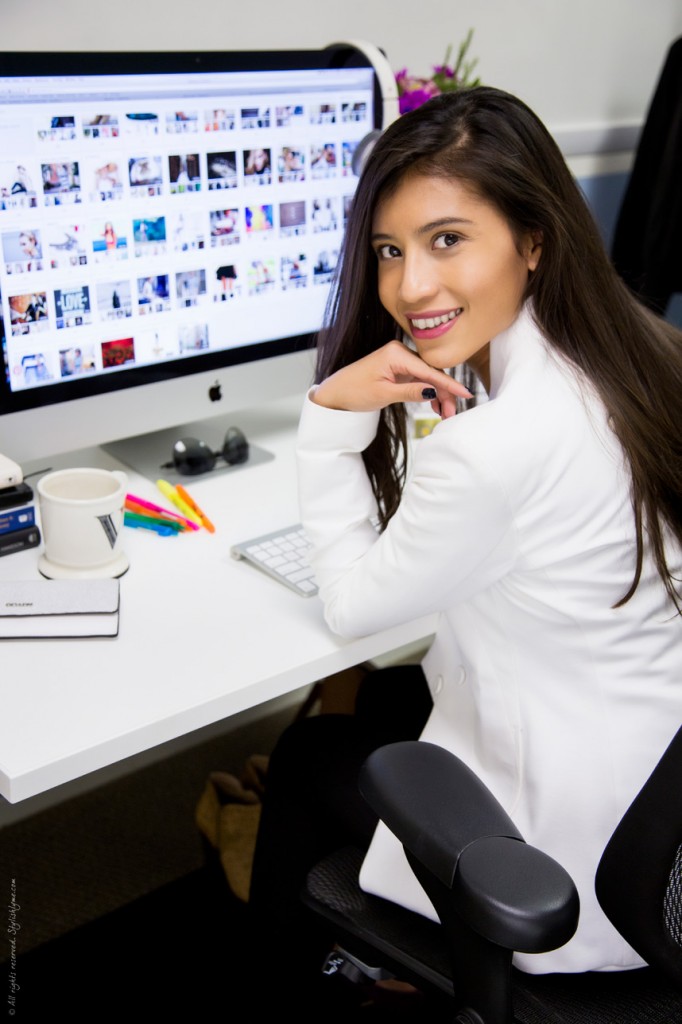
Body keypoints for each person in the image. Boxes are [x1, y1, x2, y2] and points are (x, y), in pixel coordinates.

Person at [247, 85, 682, 1006]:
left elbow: (353, 609)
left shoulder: (499, 446)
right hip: (656, 825)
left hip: (564, 874)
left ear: (533, 240)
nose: (409, 287)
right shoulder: (639, 361)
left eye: (448, 240)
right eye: (390, 251)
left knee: (307, 759)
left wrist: (328, 417)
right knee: (400, 695)